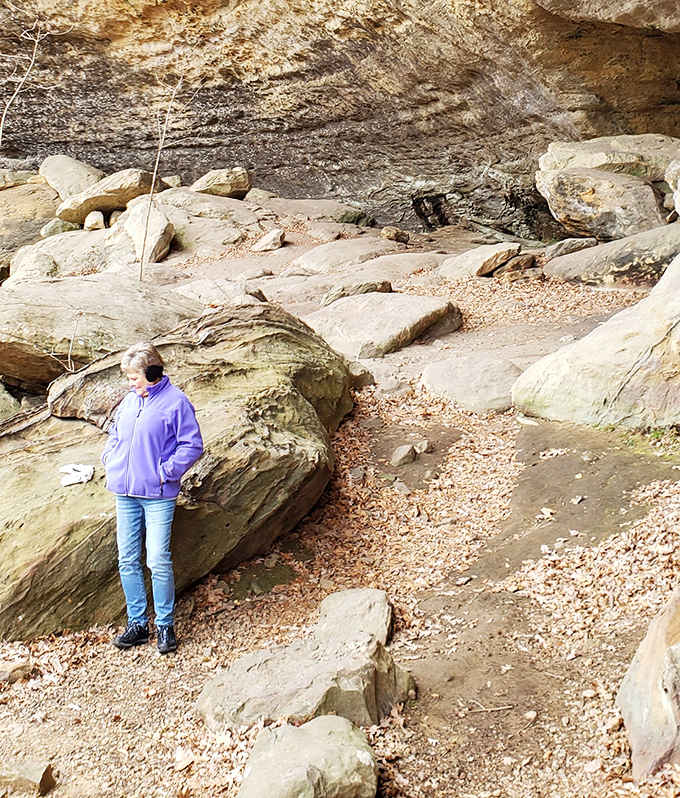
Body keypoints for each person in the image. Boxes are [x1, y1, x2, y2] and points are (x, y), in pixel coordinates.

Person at [102, 342, 203, 654]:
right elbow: (115, 435)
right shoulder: (130, 401)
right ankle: (137, 625)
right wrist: (110, 459)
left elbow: (192, 444)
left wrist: (166, 472)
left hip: (158, 495)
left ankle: (165, 625)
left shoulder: (176, 402)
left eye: (134, 377)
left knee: (157, 560)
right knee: (127, 559)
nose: (130, 383)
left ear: (152, 372)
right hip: (125, 494)